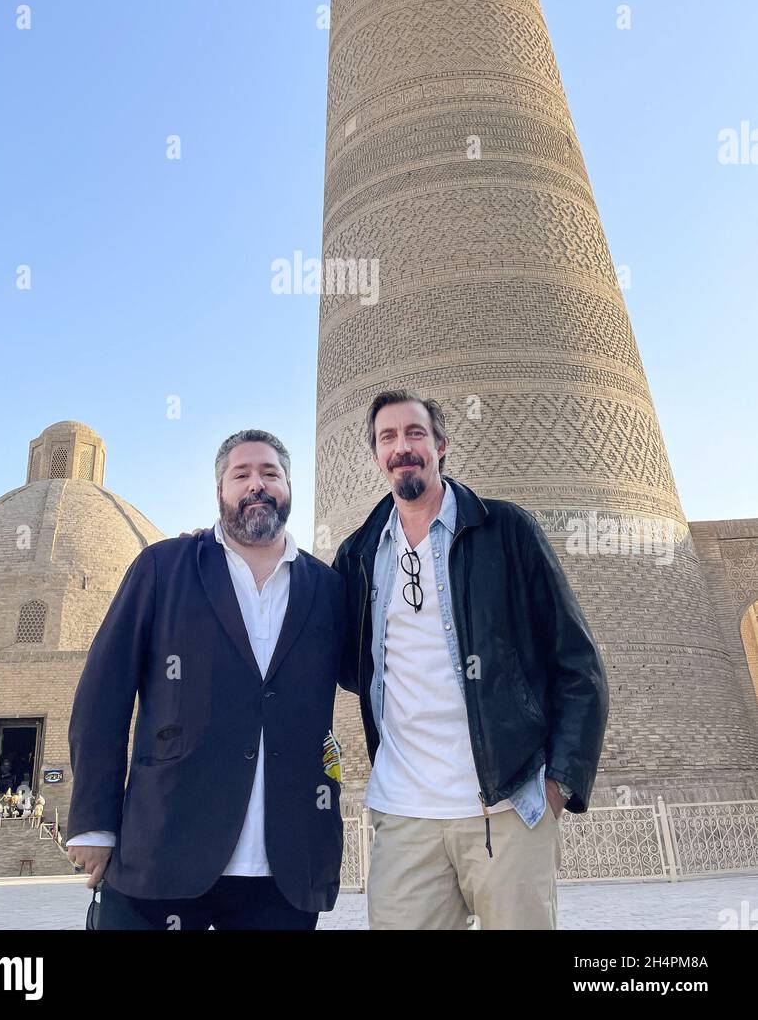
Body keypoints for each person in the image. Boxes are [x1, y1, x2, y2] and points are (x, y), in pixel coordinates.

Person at [333, 389, 609, 930]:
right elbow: (343, 661)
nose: (402, 447)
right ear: (376, 457)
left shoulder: (506, 531)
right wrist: (219, 553)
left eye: (415, 434)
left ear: (441, 445)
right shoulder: (358, 555)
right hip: (405, 815)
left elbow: (580, 664)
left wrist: (560, 784)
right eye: (388, 437)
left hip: (506, 807)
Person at [66, 429, 346, 930]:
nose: (256, 485)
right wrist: (93, 823)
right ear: (221, 490)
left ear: (288, 487)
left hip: (284, 868)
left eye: (270, 473)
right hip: (165, 850)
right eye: (241, 475)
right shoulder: (165, 568)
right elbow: (102, 697)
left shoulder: (324, 587)